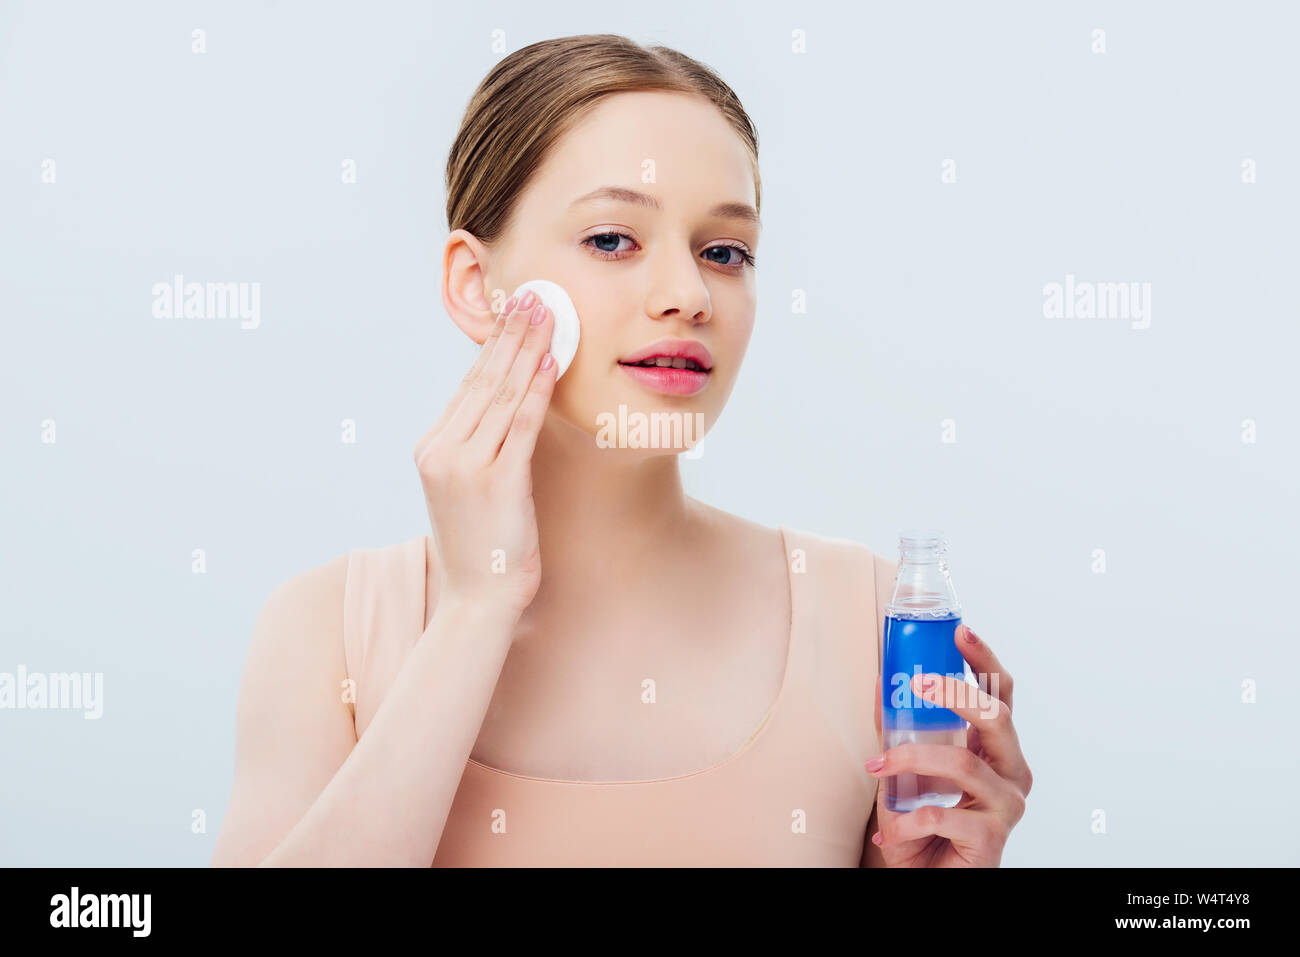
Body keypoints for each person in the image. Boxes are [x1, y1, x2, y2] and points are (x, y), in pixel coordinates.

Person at [210, 33, 1031, 867]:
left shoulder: (875, 620)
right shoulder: (328, 632)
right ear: (475, 285)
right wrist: (474, 610)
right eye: (612, 240)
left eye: (724, 252)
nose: (686, 295)